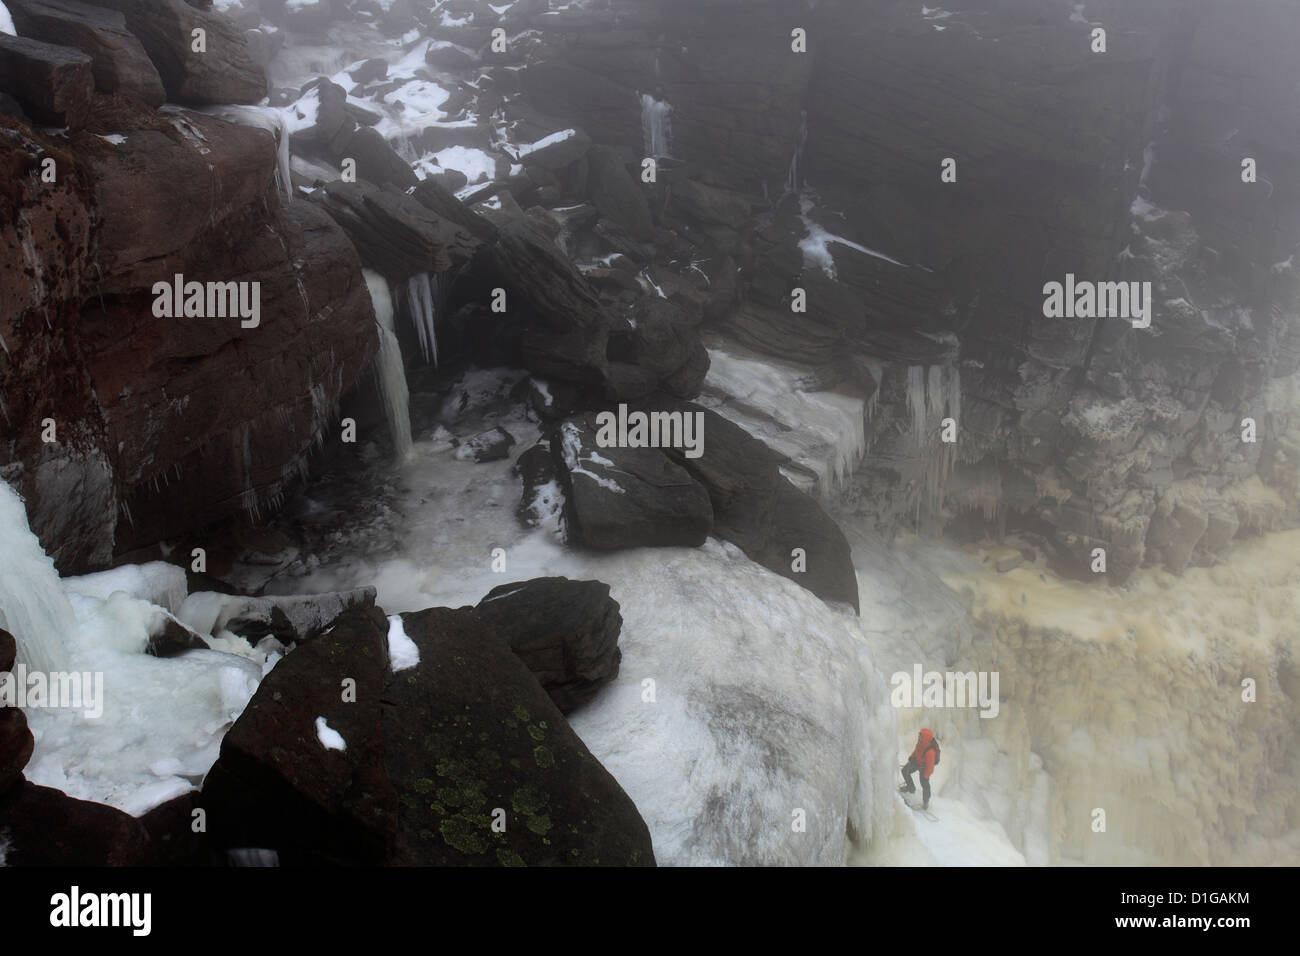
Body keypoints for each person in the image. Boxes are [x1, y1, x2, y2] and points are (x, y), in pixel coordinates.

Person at [899, 728, 939, 810]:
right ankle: (911, 788)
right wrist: (911, 757)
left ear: (925, 737)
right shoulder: (921, 743)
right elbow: (916, 751)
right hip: (917, 762)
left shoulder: (930, 752)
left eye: (920, 735)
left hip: (924, 768)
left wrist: (926, 776)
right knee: (905, 771)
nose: (919, 736)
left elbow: (930, 767)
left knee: (924, 784)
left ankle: (926, 802)